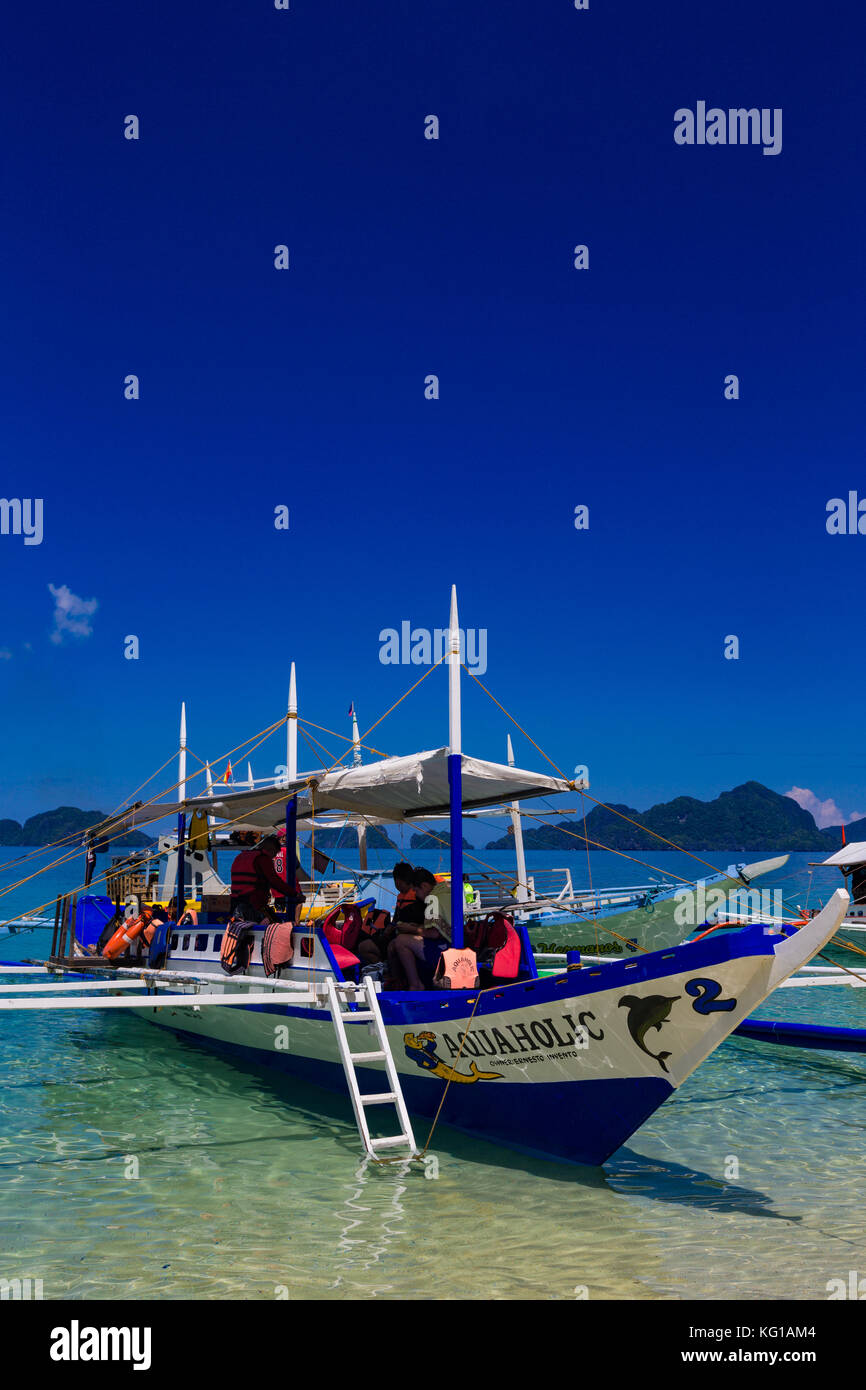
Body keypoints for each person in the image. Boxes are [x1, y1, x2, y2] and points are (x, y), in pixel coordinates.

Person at [387, 867, 450, 990]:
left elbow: (434, 934)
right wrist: (417, 927)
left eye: (416, 891)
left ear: (425, 886)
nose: (415, 895)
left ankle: (415, 985)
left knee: (400, 941)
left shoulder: (433, 899)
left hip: (445, 950)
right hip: (454, 943)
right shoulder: (446, 893)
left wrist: (410, 929)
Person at [230, 834, 305, 922]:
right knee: (276, 926)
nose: (274, 858)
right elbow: (275, 881)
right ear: (271, 849)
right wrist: (295, 894)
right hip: (253, 905)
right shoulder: (262, 858)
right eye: (275, 853)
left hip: (235, 904)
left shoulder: (241, 856)